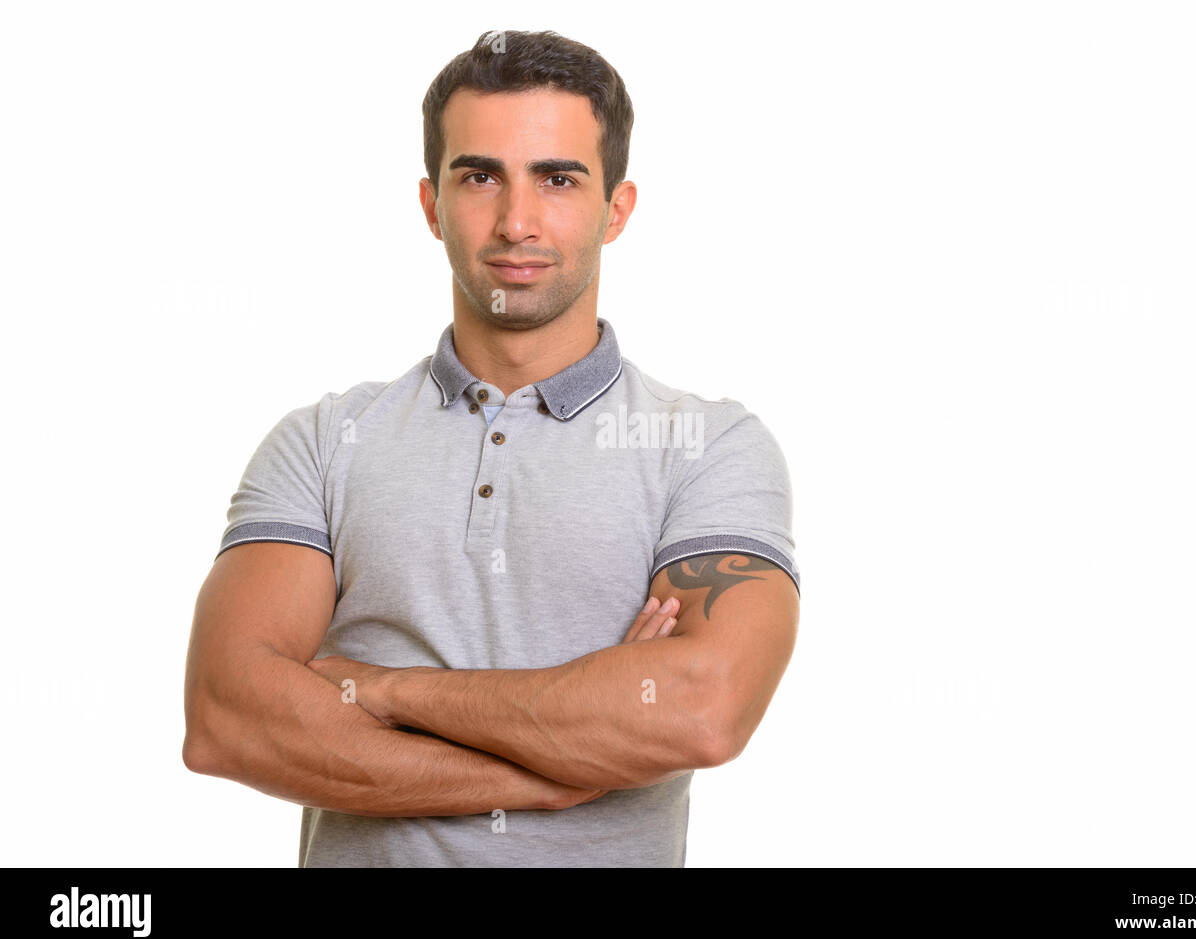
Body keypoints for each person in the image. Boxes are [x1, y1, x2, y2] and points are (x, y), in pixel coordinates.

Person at [182, 28, 801, 867]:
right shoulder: (325, 443)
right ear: (432, 204)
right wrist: (557, 767)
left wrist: (388, 688)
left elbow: (701, 707)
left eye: (557, 178)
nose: (516, 220)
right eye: (479, 176)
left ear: (615, 209)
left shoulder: (706, 444)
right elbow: (228, 719)